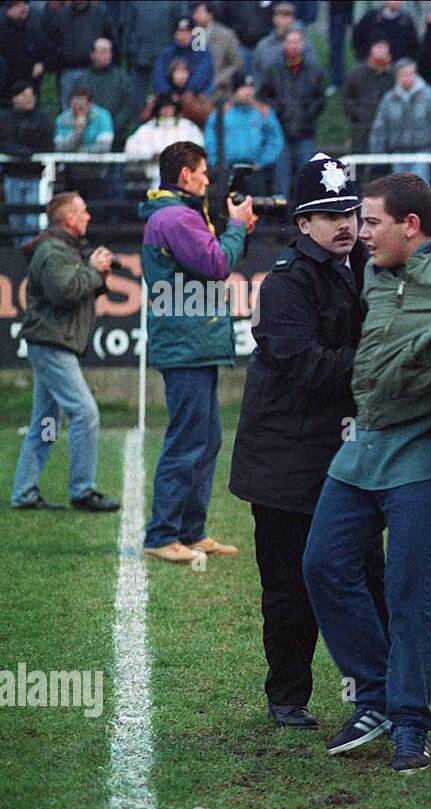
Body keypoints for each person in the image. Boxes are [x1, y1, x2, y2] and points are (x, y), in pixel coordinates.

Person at [302, 173, 431, 773]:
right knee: (323, 564)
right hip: (364, 444)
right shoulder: (374, 270)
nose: (360, 233)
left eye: (370, 222)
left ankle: (410, 724)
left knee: (409, 592)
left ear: (410, 226)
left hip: (426, 453)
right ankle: (374, 695)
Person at [229, 154, 383, 730]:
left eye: (349, 210)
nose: (343, 223)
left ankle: (378, 689)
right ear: (302, 224)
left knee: (368, 573)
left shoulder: (369, 265)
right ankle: (288, 695)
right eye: (327, 214)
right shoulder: (287, 283)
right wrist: (381, 365)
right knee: (290, 588)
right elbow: (308, 367)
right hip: (284, 459)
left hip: (345, 455)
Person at [140, 141, 257, 564]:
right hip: (186, 344)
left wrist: (238, 227)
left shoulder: (179, 215)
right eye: (203, 171)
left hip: (194, 343)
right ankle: (162, 533)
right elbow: (216, 264)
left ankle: (190, 531)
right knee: (188, 441)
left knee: (205, 439)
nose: (207, 178)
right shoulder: (175, 217)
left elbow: (216, 260)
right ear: (185, 175)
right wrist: (238, 226)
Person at [10, 192, 119, 513]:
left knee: (46, 422)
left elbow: (77, 286)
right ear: (69, 220)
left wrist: (98, 274)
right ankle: (82, 491)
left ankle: (24, 492)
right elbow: (65, 292)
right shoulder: (52, 252)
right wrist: (93, 270)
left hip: (50, 343)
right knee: (85, 413)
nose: (88, 217)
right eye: (83, 213)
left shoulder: (62, 250)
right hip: (52, 345)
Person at [260, 28, 327, 197]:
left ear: (303, 45)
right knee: (280, 176)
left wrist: (307, 114)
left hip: (305, 130)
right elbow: (264, 96)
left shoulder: (314, 71)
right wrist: (278, 112)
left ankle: (305, 208)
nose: (293, 46)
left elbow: (320, 99)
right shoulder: (273, 69)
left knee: (307, 174)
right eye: (290, 42)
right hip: (280, 130)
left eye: (297, 42)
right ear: (284, 44)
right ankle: (280, 214)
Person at [367, 57, 431, 187]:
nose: (407, 78)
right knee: (398, 193)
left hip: (422, 152)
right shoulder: (388, 99)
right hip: (397, 153)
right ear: (397, 77)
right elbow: (379, 127)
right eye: (403, 75)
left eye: (410, 74)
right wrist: (377, 153)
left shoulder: (429, 96)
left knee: (419, 191)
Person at [202, 75, 283, 195]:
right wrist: (216, 163)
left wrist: (263, 162)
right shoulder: (221, 112)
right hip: (227, 171)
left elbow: (275, 139)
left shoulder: (263, 111)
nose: (248, 92)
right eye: (244, 88)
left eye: (251, 88)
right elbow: (210, 140)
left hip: (255, 171)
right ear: (234, 91)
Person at [0, 78, 54, 246]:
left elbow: (45, 143)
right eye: (23, 95)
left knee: (33, 220)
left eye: (31, 96)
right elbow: (3, 143)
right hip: (13, 175)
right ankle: (18, 251)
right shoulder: (5, 119)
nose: (28, 99)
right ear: (15, 98)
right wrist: (22, 152)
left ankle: (30, 250)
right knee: (16, 219)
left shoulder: (42, 119)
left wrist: (25, 151)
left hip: (34, 176)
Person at [127, 92, 205, 189]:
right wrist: (151, 155)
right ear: (159, 109)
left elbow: (199, 147)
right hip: (155, 175)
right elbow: (131, 149)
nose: (168, 110)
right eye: (164, 107)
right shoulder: (147, 128)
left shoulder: (188, 126)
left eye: (170, 107)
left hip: (185, 175)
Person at [342, 40, 395, 157]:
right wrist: (357, 115)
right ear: (371, 49)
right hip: (360, 128)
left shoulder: (394, 76)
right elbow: (347, 100)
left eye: (384, 47)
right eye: (378, 47)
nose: (381, 51)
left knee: (382, 169)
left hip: (386, 130)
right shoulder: (356, 74)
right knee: (355, 167)